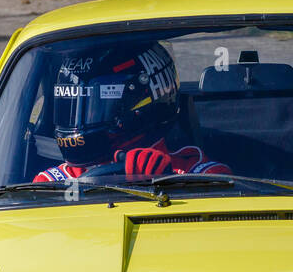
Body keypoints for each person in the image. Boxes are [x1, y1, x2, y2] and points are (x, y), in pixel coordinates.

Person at [34, 41, 230, 182]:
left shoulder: (196, 174)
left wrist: (171, 183)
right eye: (71, 103)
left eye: (96, 106)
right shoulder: (52, 184)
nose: (78, 120)